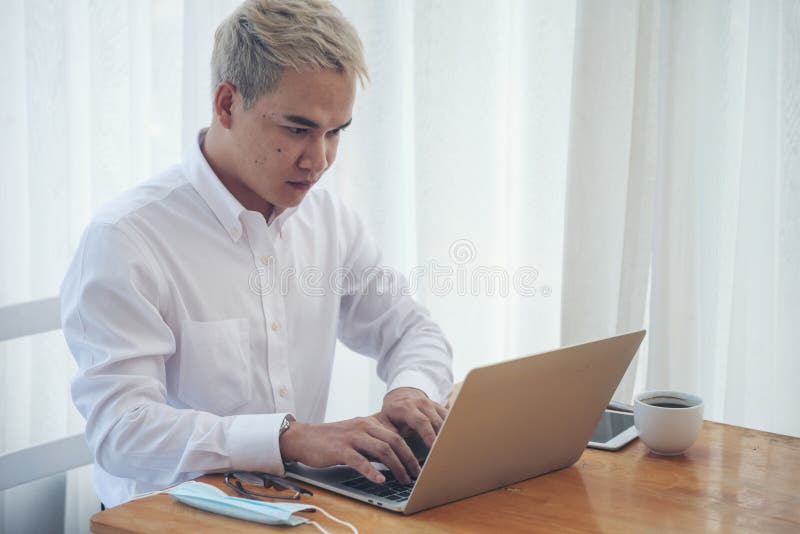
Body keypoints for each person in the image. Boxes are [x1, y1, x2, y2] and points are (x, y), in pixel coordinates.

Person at [61, 0, 453, 508]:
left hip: (302, 509)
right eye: (297, 129)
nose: (320, 160)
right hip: (171, 517)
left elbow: (411, 330)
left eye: (335, 132)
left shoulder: (328, 220)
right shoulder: (127, 239)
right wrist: (288, 438)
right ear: (227, 104)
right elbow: (121, 432)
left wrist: (411, 392)